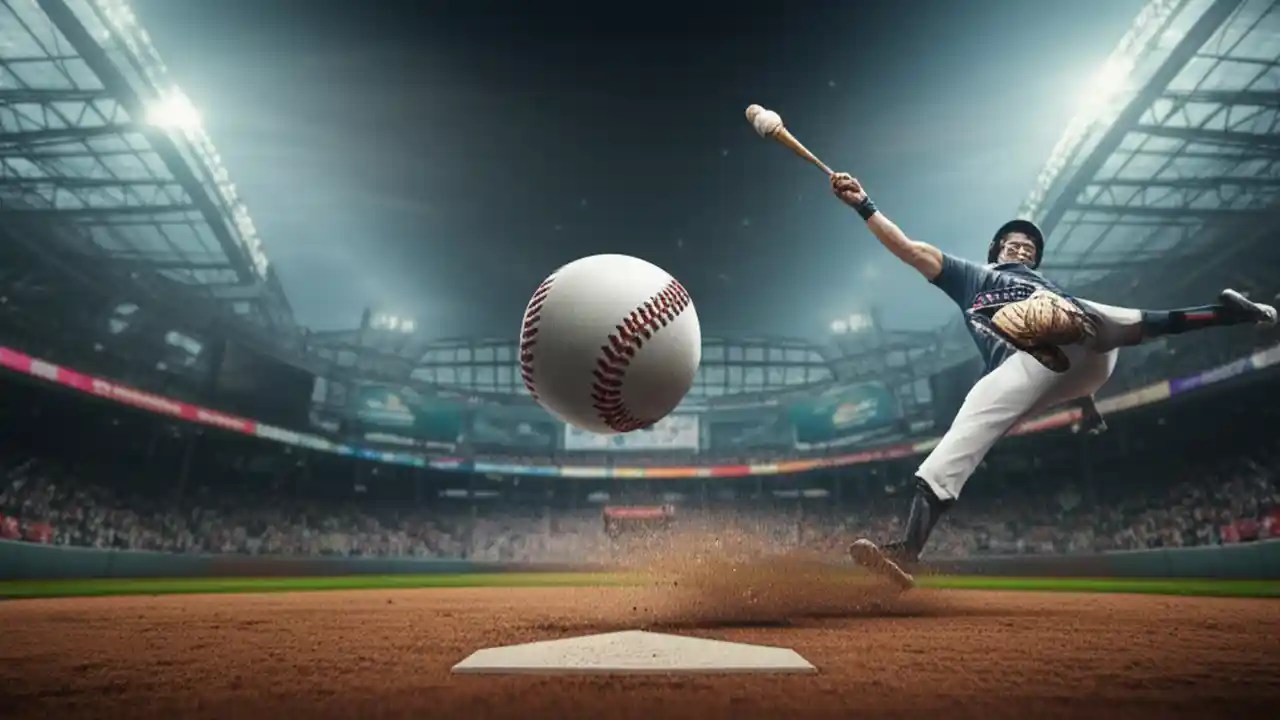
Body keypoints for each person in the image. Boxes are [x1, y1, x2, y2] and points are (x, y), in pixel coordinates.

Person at [828, 172, 1277, 588]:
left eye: (1029, 246)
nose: (1022, 248)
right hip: (1019, 369)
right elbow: (909, 248)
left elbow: (1084, 340)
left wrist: (1085, 393)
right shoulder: (972, 277)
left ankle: (1228, 314)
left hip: (1079, 346)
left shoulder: (1050, 287)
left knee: (1094, 314)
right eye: (1013, 243)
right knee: (950, 453)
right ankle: (908, 552)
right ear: (996, 248)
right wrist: (864, 204)